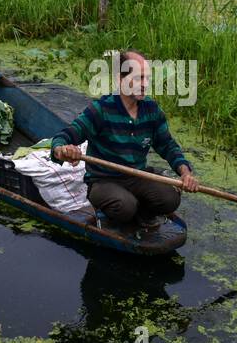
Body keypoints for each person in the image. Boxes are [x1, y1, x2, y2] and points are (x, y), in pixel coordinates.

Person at [50, 50, 199, 230]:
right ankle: (115, 215)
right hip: (103, 181)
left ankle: (142, 213)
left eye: (147, 79)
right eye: (138, 78)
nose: (145, 85)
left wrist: (185, 173)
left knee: (170, 199)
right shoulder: (101, 110)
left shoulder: (151, 109)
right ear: (120, 79)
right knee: (125, 206)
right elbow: (63, 137)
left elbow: (167, 145)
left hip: (137, 176)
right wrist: (63, 150)